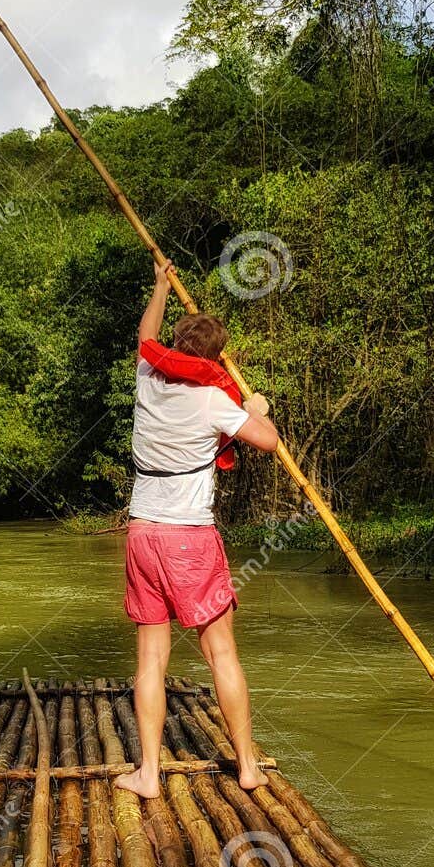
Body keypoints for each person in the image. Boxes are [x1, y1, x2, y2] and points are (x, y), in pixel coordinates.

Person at [115, 252, 280, 799]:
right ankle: (249, 767)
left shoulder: (146, 378)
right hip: (190, 539)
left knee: (151, 659)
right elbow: (269, 441)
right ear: (216, 357)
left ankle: (147, 774)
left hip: (143, 534)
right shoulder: (214, 399)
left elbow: (144, 334)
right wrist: (253, 406)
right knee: (222, 653)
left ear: (176, 349)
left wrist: (160, 286)